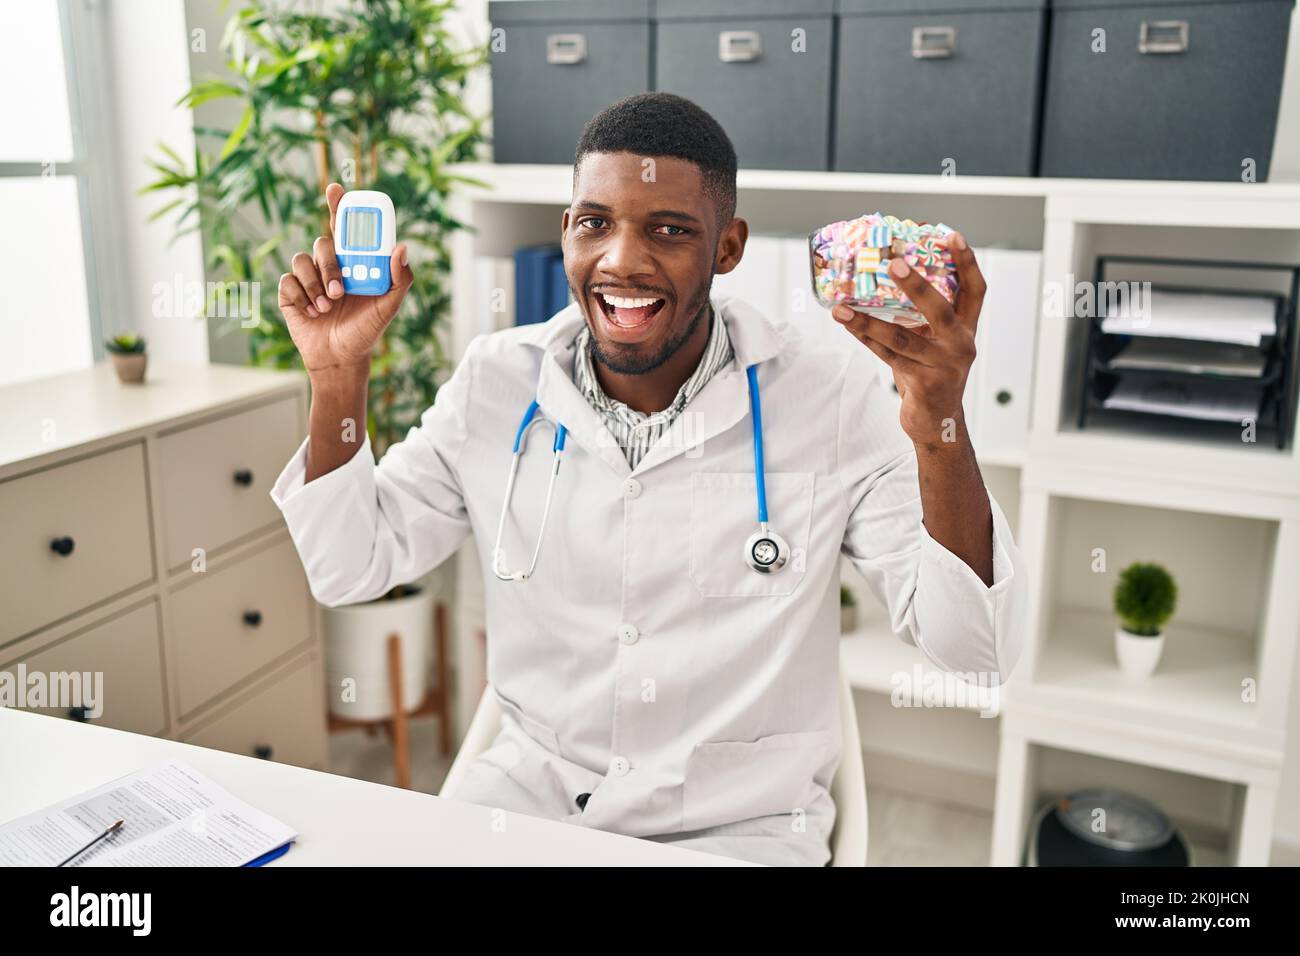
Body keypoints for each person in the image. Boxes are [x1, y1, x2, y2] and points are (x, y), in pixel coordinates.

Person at [270, 92, 1027, 866]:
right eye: (595, 222)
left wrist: (940, 420)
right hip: (528, 805)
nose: (622, 260)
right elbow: (347, 567)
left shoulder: (826, 396)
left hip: (738, 829)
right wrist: (338, 375)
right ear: (566, 232)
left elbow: (975, 649)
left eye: (669, 230)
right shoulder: (496, 383)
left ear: (727, 247)